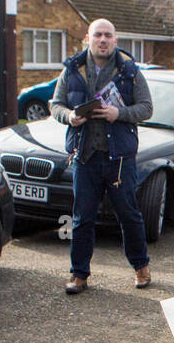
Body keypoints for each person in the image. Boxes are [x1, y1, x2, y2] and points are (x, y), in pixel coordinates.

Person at [50, 18, 154, 295]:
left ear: (115, 40)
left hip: (120, 158)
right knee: (82, 217)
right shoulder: (72, 70)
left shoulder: (129, 71)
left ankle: (141, 267)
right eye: (98, 35)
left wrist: (118, 114)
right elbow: (55, 105)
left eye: (108, 35)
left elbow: (146, 108)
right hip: (85, 156)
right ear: (88, 38)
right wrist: (69, 116)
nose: (103, 40)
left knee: (129, 215)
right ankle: (79, 274)